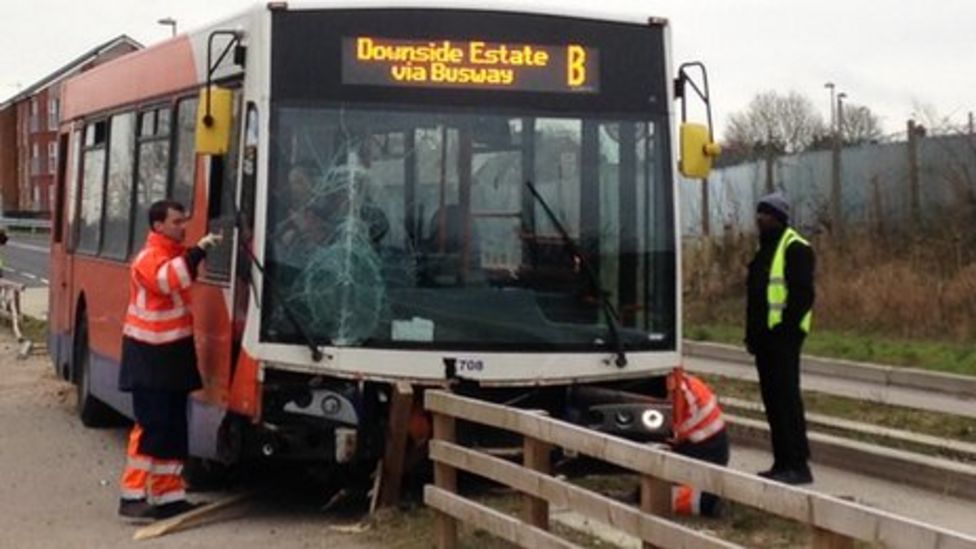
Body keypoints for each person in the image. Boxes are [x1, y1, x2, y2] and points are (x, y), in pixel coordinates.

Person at [117, 200, 222, 522]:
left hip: (172, 352)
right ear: (158, 225)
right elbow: (167, 281)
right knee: (152, 426)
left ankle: (169, 496)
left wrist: (193, 253)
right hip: (148, 354)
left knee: (174, 427)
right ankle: (131, 496)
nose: (182, 226)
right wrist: (198, 251)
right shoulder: (149, 258)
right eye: (176, 221)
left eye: (183, 221)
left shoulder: (174, 255)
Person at [745, 192, 815, 485]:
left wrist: (784, 331)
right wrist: (752, 335)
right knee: (772, 401)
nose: (761, 219)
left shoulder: (795, 248)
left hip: (783, 340)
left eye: (767, 215)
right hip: (764, 340)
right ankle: (781, 461)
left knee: (787, 400)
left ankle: (798, 464)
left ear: (779, 218)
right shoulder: (764, 249)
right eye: (759, 214)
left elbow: (802, 296)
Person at [666, 368, 729, 517]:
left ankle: (708, 503)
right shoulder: (684, 381)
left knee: (657, 494)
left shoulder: (678, 392)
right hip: (710, 445)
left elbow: (672, 435)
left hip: (703, 447)